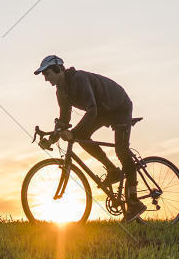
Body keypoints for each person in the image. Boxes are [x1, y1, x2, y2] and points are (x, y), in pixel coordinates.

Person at [34, 54, 145, 221]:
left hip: (119, 107)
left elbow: (92, 109)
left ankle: (134, 201)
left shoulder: (78, 79)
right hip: (102, 110)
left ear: (58, 69)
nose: (45, 78)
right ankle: (113, 170)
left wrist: (72, 133)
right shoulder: (61, 91)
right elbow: (64, 119)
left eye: (47, 74)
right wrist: (52, 139)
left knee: (121, 151)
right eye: (44, 75)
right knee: (81, 136)